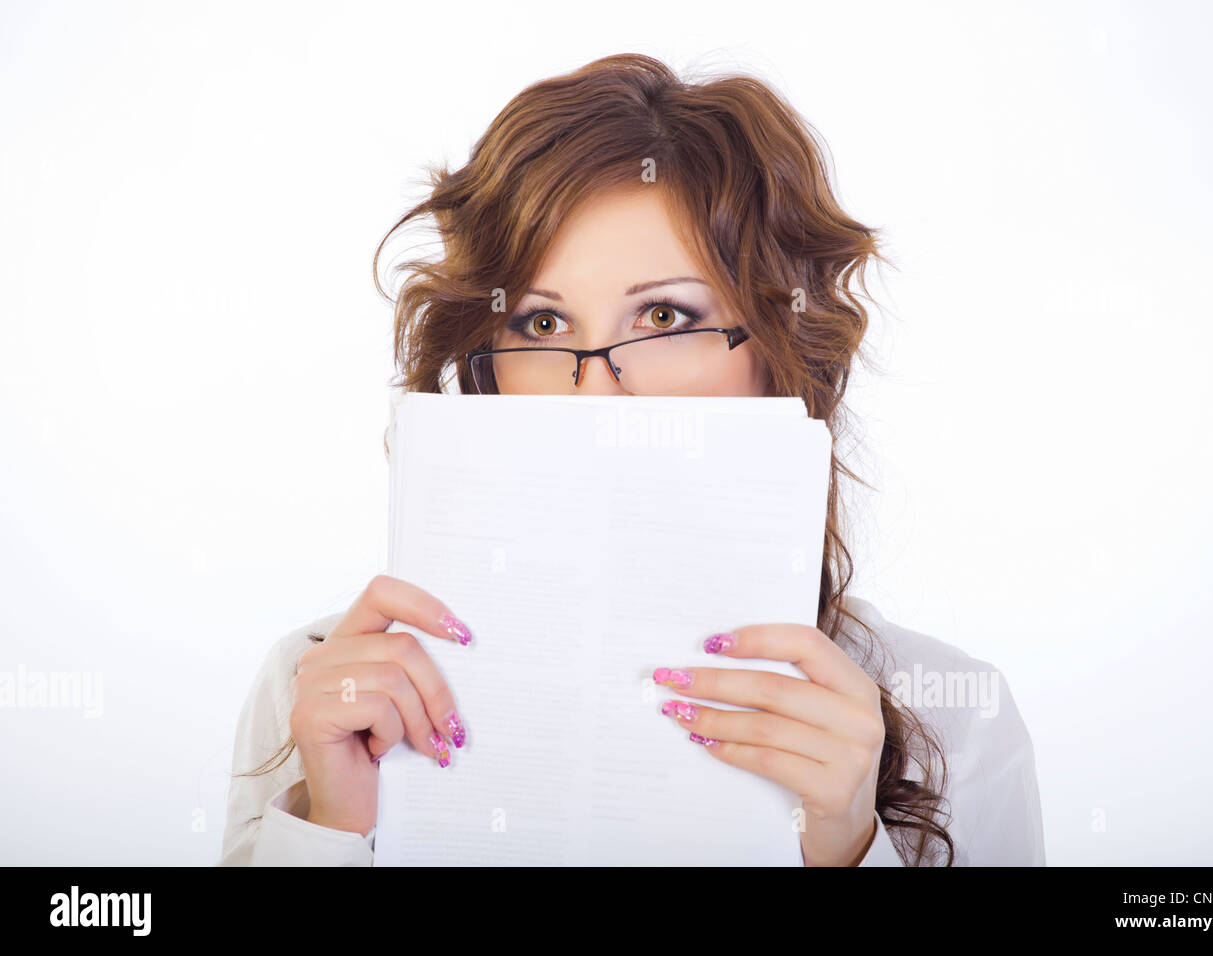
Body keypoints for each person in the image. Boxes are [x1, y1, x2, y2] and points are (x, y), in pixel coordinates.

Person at [218, 53, 1045, 867]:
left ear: (783, 354)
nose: (596, 397)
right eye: (541, 326)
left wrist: (847, 851)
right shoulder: (325, 685)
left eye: (662, 314)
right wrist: (327, 828)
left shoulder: (958, 722)